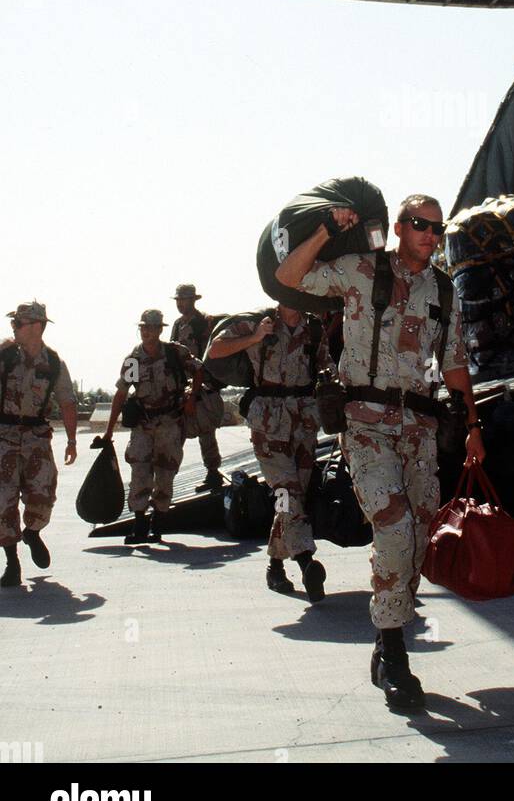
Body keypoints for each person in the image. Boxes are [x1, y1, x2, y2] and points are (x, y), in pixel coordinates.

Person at [275, 194, 483, 712]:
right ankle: (394, 655)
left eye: (437, 228)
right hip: (365, 425)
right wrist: (325, 229)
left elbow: (454, 363)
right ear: (398, 227)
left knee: (421, 533)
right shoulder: (360, 270)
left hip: (420, 428)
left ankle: (386, 635)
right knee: (392, 527)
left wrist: (474, 426)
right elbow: (290, 277)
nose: (429, 235)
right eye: (419, 225)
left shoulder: (442, 289)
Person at [208, 305, 332, 601]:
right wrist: (254, 337)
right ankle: (306, 562)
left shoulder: (314, 327)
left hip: (303, 421)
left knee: (294, 496)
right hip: (268, 421)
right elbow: (215, 350)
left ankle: (275, 566)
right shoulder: (255, 323)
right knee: (286, 492)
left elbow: (326, 367)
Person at [103, 310, 201, 544]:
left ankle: (159, 523)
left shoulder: (174, 353)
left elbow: (198, 369)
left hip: (170, 421)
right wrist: (108, 431)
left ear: (160, 330)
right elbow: (122, 392)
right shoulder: (134, 360)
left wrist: (191, 399)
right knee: (139, 471)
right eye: (143, 327)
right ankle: (139, 525)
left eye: (151, 327)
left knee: (166, 472)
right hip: (143, 424)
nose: (146, 332)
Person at [0, 302, 77, 588]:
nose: (13, 328)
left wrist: (71, 440)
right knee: (2, 502)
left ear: (35, 327)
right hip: (3, 436)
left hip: (37, 437)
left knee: (43, 496)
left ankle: (32, 532)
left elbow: (68, 402)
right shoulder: (4, 356)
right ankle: (12, 562)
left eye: (18, 324)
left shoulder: (54, 362)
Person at [170, 283, 224, 491]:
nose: (180, 304)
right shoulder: (177, 324)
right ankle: (167, 479)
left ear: (193, 300)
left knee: (206, 431)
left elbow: (209, 355)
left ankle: (212, 473)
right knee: (176, 433)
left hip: (202, 383)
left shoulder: (204, 323)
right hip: (182, 386)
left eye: (184, 299)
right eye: (178, 300)